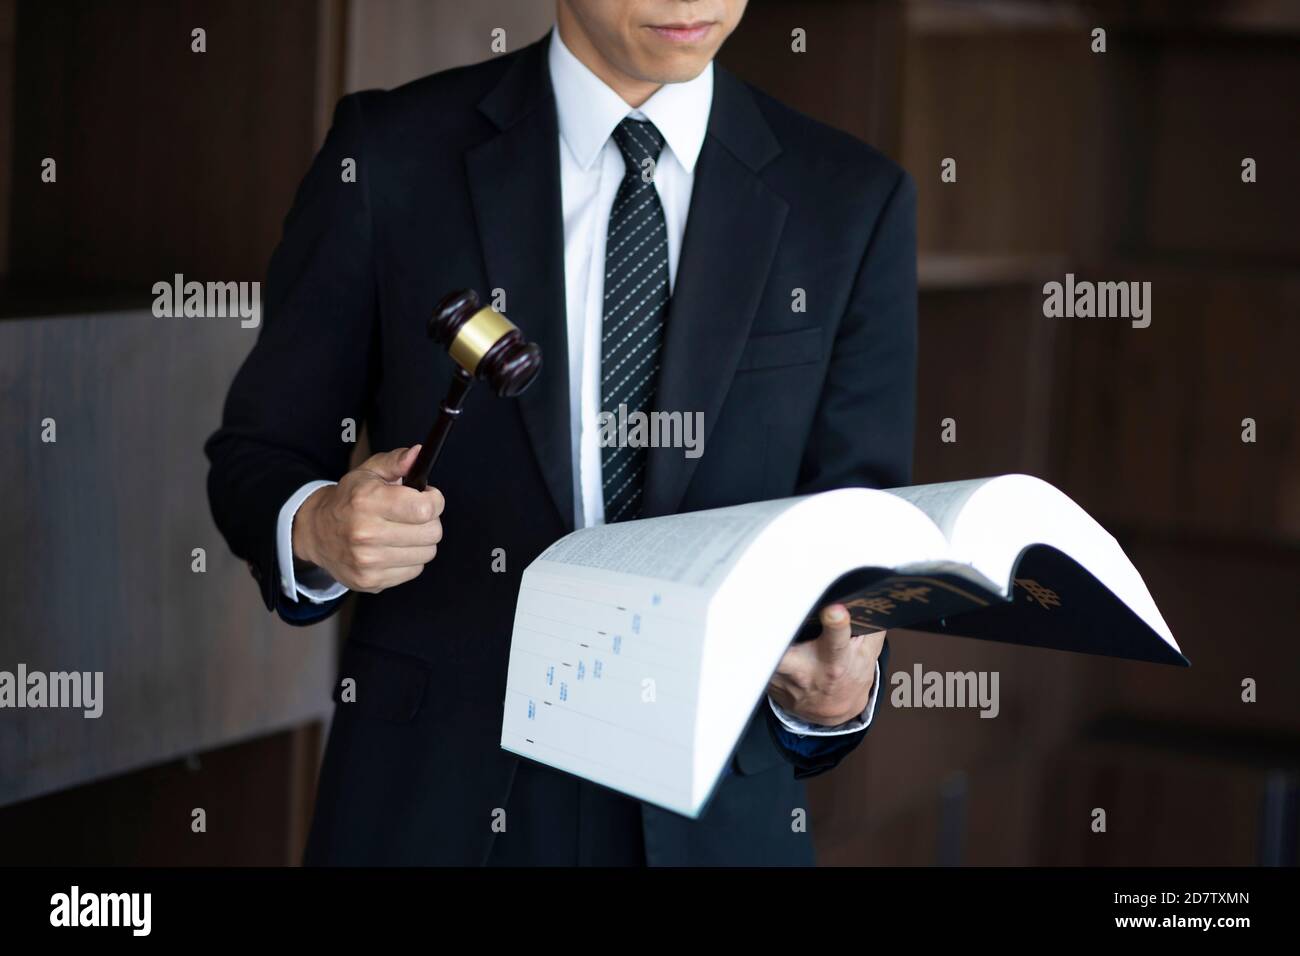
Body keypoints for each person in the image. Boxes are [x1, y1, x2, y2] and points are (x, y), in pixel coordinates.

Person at [205, 0, 915, 865]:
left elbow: (860, 532)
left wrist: (834, 697)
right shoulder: (387, 155)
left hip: (714, 814)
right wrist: (318, 525)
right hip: (434, 799)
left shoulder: (851, 198)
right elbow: (257, 453)